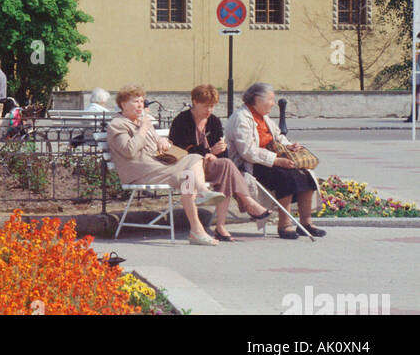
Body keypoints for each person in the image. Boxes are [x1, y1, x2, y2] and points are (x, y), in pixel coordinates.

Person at [106, 85, 225, 246]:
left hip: (155, 165)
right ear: (123, 104)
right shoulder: (118, 124)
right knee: (188, 174)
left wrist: (161, 140)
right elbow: (129, 151)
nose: (141, 105)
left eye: (142, 101)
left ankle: (198, 221)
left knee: (194, 161)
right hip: (139, 170)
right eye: (135, 101)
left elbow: (157, 140)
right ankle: (198, 222)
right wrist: (143, 129)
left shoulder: (142, 122)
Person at [168, 84, 270, 241]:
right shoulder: (182, 121)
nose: (209, 110)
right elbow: (182, 151)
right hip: (187, 168)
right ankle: (245, 204)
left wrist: (215, 154)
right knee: (227, 167)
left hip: (209, 167)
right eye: (205, 106)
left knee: (226, 167)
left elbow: (222, 151)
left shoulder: (213, 121)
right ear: (194, 102)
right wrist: (208, 153)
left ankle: (222, 226)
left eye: (212, 106)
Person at [225, 82, 326, 240]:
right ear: (257, 99)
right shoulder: (240, 118)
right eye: (271, 99)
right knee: (285, 177)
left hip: (270, 159)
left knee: (305, 174)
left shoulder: (263, 116)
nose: (273, 103)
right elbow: (247, 152)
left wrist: (289, 145)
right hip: (251, 164)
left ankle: (305, 223)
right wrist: (277, 161)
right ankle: (284, 225)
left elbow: (278, 137)